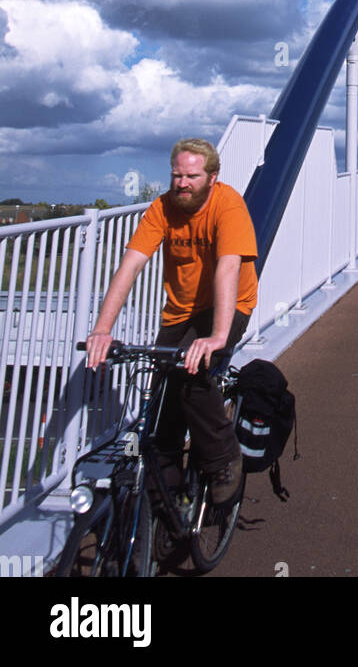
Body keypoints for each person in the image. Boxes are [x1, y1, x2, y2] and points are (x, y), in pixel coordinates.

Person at [85, 138, 258, 505]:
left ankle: (223, 456)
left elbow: (228, 267)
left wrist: (216, 337)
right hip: (180, 310)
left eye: (192, 176)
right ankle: (162, 508)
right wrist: (102, 329)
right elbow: (130, 264)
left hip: (229, 305)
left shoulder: (229, 205)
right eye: (176, 175)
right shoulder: (162, 207)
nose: (182, 183)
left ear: (212, 177)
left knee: (190, 369)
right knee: (162, 407)